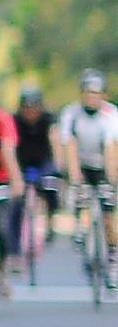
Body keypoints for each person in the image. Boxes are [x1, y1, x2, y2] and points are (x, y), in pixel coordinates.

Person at [55, 71, 118, 259]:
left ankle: (112, 257)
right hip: (81, 163)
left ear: (103, 96)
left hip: (102, 164)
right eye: (88, 94)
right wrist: (74, 176)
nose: (91, 99)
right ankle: (81, 226)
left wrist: (112, 178)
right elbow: (69, 145)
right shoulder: (71, 113)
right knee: (80, 195)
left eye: (96, 94)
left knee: (108, 211)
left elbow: (110, 148)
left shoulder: (110, 114)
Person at [11, 85, 60, 268]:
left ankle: (51, 218)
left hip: (43, 162)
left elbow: (55, 142)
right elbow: (10, 146)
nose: (30, 112)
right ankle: (14, 251)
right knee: (16, 204)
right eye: (27, 108)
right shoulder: (15, 121)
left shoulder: (48, 120)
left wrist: (58, 167)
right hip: (22, 163)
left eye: (34, 107)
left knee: (51, 186)